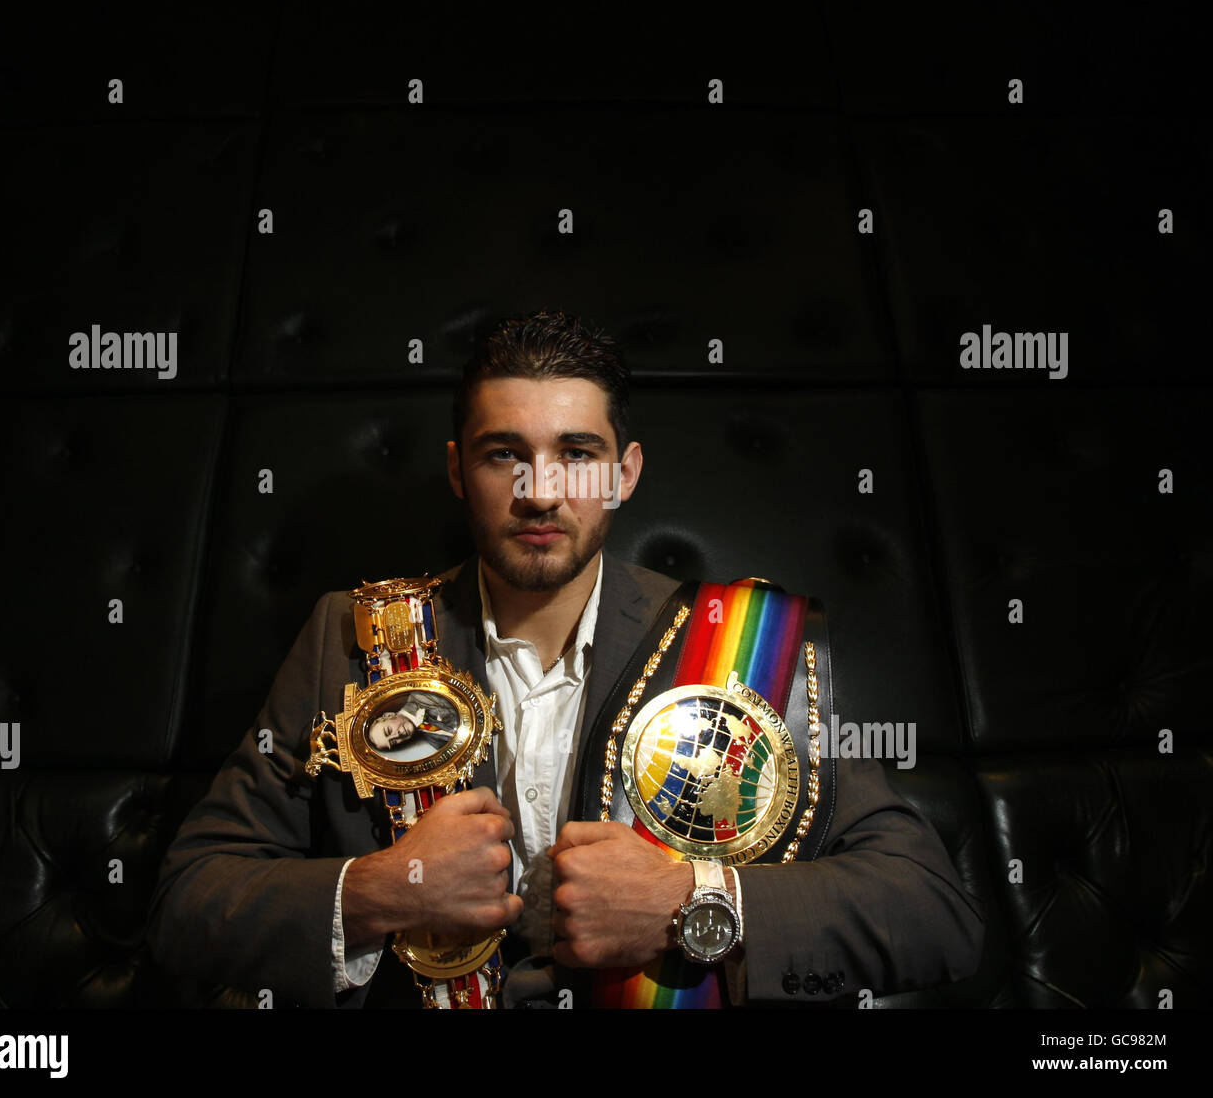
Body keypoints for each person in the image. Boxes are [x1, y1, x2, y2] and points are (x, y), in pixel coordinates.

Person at [148, 309, 985, 1008]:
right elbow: (189, 902)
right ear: (456, 470)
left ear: (624, 473)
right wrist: (385, 888)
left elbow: (932, 912)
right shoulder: (349, 636)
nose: (541, 490)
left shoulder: (743, 644)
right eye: (504, 453)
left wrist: (688, 902)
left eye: (577, 455)